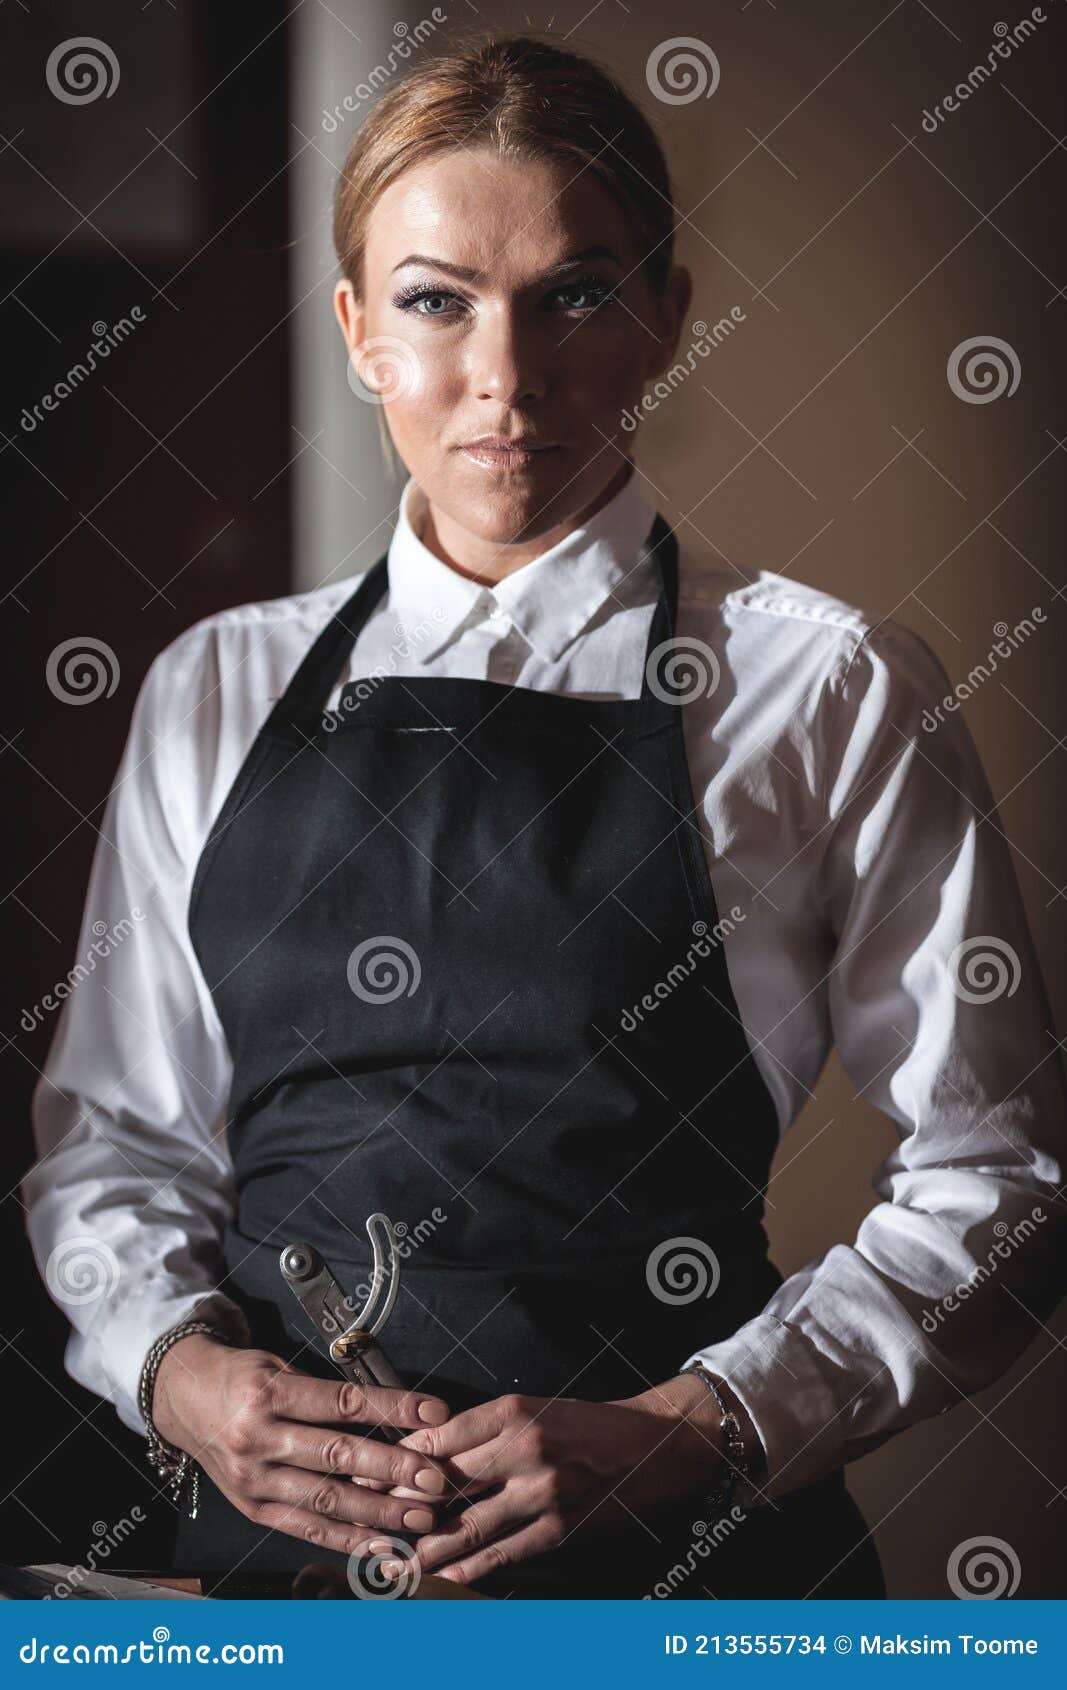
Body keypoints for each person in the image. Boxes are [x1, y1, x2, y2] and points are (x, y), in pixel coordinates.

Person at [23, 34, 1067, 1601]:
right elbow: (114, 1143)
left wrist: (703, 1420)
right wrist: (177, 1370)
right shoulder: (212, 687)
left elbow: (1005, 1182)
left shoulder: (832, 683)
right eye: (438, 301)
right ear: (360, 333)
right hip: (280, 1589)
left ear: (667, 318)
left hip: (689, 1583)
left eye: (573, 293)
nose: (505, 380)